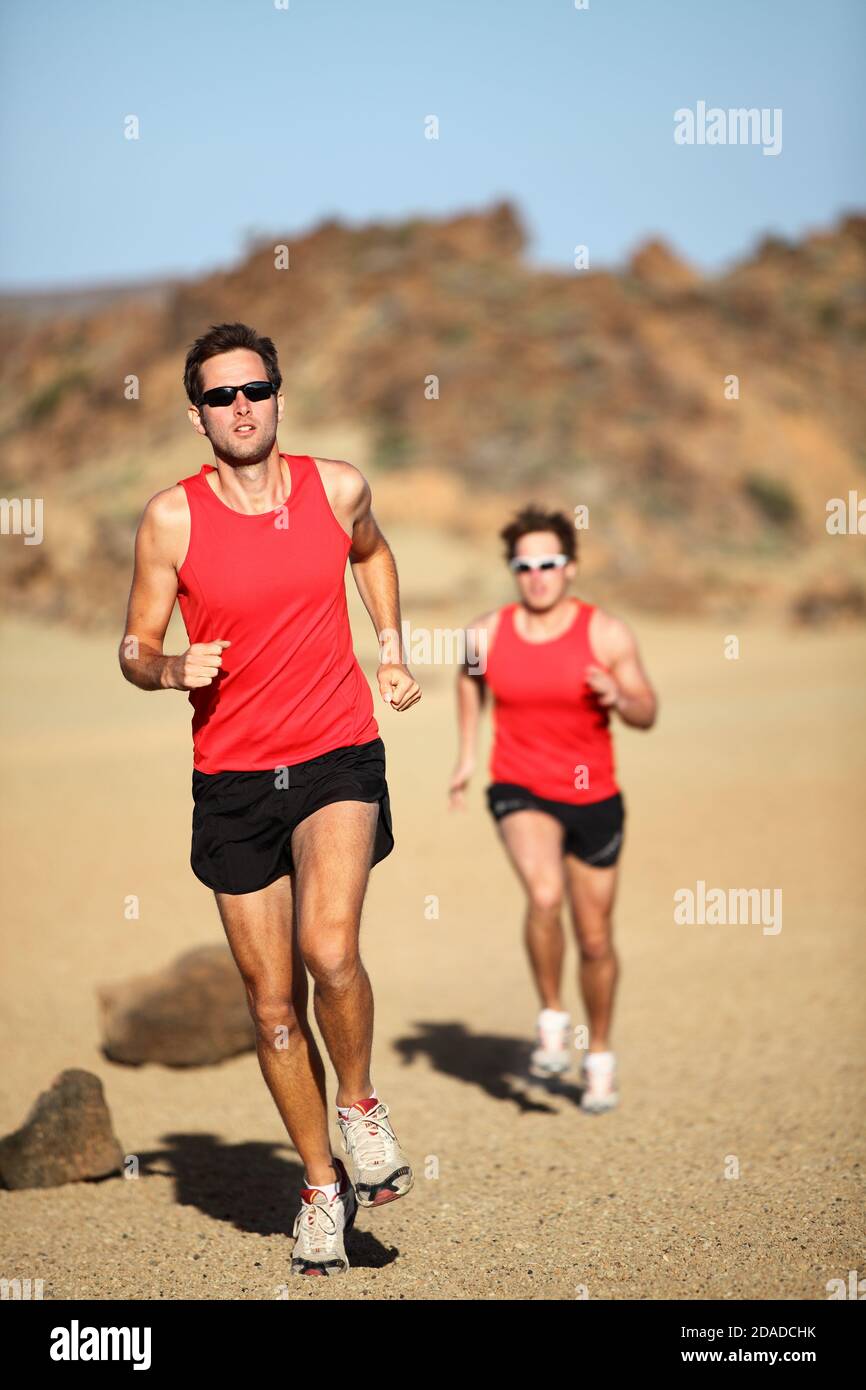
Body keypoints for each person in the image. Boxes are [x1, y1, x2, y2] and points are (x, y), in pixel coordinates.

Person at [118, 322, 420, 1275]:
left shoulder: (338, 487)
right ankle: (322, 1187)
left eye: (254, 389)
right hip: (235, 778)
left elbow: (372, 555)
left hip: (337, 753)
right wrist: (170, 669)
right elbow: (132, 645)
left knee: (331, 951)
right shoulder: (172, 517)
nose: (240, 407)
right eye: (219, 396)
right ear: (198, 413)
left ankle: (361, 1108)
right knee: (271, 1007)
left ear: (279, 395)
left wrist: (393, 646)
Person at [449, 505, 657, 1112]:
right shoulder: (486, 632)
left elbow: (648, 711)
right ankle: (551, 1022)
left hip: (595, 797)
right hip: (520, 786)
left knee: (595, 940)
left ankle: (600, 1056)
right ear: (513, 570)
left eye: (549, 563)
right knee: (544, 895)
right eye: (524, 565)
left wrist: (620, 696)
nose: (537, 575)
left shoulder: (606, 633)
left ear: (570, 568)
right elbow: (468, 677)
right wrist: (467, 754)